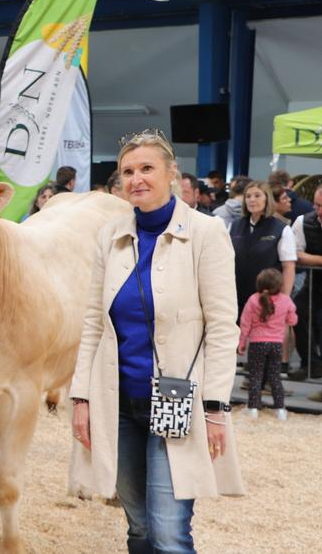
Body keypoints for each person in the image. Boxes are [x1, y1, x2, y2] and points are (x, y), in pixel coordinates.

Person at [70, 129, 243, 553]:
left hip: (176, 399)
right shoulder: (109, 236)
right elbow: (94, 322)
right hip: (118, 403)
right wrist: (81, 398)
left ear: (172, 174)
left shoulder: (206, 233)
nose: (136, 179)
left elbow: (223, 326)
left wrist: (216, 406)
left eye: (147, 168)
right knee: (140, 528)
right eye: (128, 171)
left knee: (169, 533)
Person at [229, 181, 296, 318]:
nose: (252, 200)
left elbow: (288, 267)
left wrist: (283, 300)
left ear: (267, 199)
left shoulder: (281, 229)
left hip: (267, 302)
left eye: (257, 195)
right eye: (248, 196)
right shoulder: (234, 226)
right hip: (235, 299)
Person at [237, 268, 297, 420]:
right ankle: (280, 409)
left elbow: (245, 323)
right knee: (275, 376)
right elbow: (293, 320)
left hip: (257, 343)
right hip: (276, 345)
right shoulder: (286, 300)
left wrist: (242, 342)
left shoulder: (253, 300)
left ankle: (253, 409)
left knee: (255, 376)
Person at [289, 185, 322, 383]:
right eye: (317, 205)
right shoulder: (303, 222)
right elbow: (296, 254)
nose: (319, 211)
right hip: (314, 285)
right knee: (297, 311)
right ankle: (310, 363)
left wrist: (311, 258)